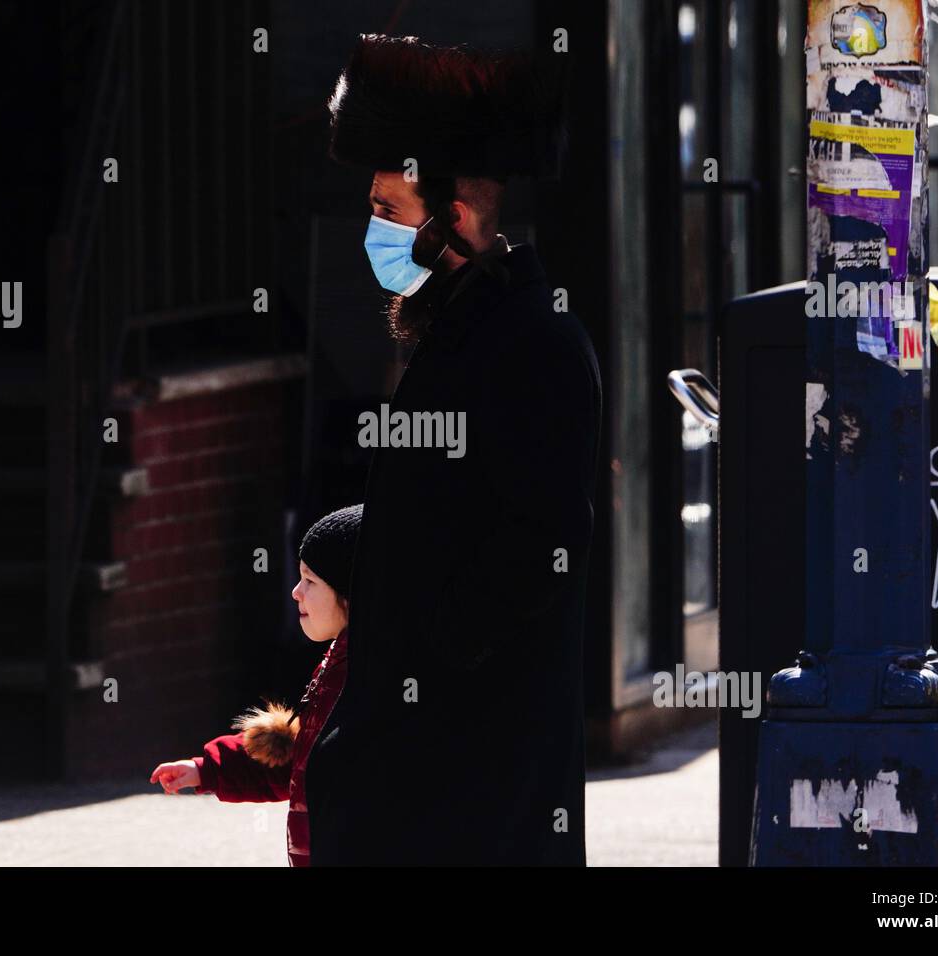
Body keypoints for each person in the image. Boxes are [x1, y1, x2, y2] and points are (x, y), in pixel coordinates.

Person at [305, 34, 603, 865]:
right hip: (421, 774)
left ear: (457, 221)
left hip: (469, 784)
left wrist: (433, 659)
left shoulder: (533, 342)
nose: (374, 232)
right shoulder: (462, 333)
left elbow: (536, 545)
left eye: (390, 212)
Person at [149, 504, 362, 867]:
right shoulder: (336, 665)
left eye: (310, 580)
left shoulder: (370, 678)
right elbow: (296, 762)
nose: (296, 592)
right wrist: (207, 769)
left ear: (351, 593)